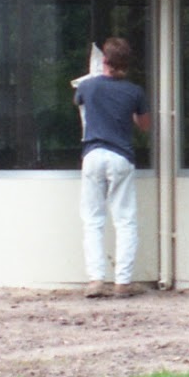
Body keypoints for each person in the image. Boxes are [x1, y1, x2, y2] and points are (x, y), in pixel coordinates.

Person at [75, 36, 151, 299]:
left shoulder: (88, 86)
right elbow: (144, 125)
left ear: (104, 60)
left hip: (93, 154)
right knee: (125, 220)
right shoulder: (134, 92)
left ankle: (96, 279)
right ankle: (123, 282)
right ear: (126, 64)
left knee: (93, 220)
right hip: (120, 156)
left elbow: (80, 104)